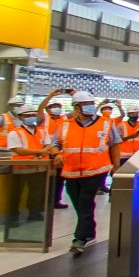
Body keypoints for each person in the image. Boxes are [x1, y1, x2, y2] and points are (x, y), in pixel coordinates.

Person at [50, 91, 121, 253]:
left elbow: (114, 145)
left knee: (85, 201)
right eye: (85, 104)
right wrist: (56, 154)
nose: (90, 107)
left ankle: (80, 238)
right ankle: (90, 232)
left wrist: (116, 166)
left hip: (96, 170)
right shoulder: (65, 125)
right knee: (78, 202)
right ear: (76, 107)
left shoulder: (105, 124)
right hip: (71, 171)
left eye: (91, 104)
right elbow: (55, 144)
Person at [6, 105, 55, 227]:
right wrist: (39, 152)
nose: (31, 117)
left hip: (39, 168)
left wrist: (44, 151)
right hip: (21, 169)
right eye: (27, 116)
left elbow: (49, 145)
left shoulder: (42, 131)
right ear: (21, 117)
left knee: (36, 193)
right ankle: (13, 218)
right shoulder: (15, 133)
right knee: (16, 195)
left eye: (32, 115)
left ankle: (34, 213)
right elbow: (18, 150)